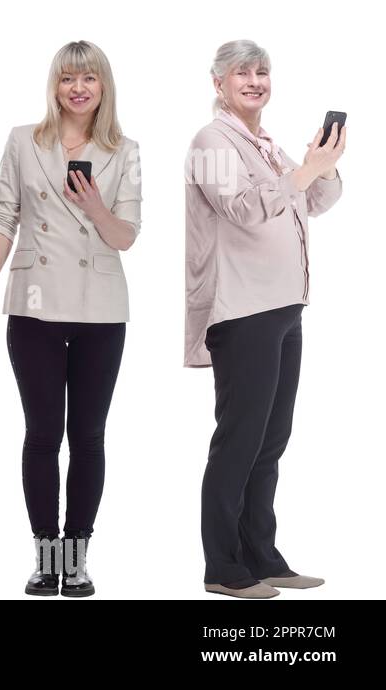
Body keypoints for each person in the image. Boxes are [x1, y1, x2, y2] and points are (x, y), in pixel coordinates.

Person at [0, 40, 140, 597]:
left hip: (101, 308)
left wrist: (94, 205)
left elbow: (126, 237)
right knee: (43, 433)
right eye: (68, 78)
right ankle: (45, 553)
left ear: (103, 86)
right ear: (55, 85)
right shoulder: (25, 141)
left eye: (88, 79)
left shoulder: (125, 150)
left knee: (88, 434)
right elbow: (3, 214)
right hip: (35, 304)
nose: (78, 89)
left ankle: (79, 554)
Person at [185, 39, 344, 599]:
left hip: (283, 307)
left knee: (271, 441)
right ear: (219, 83)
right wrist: (302, 176)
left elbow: (312, 204)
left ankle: (262, 554)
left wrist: (320, 167)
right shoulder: (211, 142)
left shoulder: (267, 145)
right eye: (242, 73)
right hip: (242, 309)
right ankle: (222, 566)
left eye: (262, 71)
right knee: (239, 439)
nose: (255, 80)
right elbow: (244, 209)